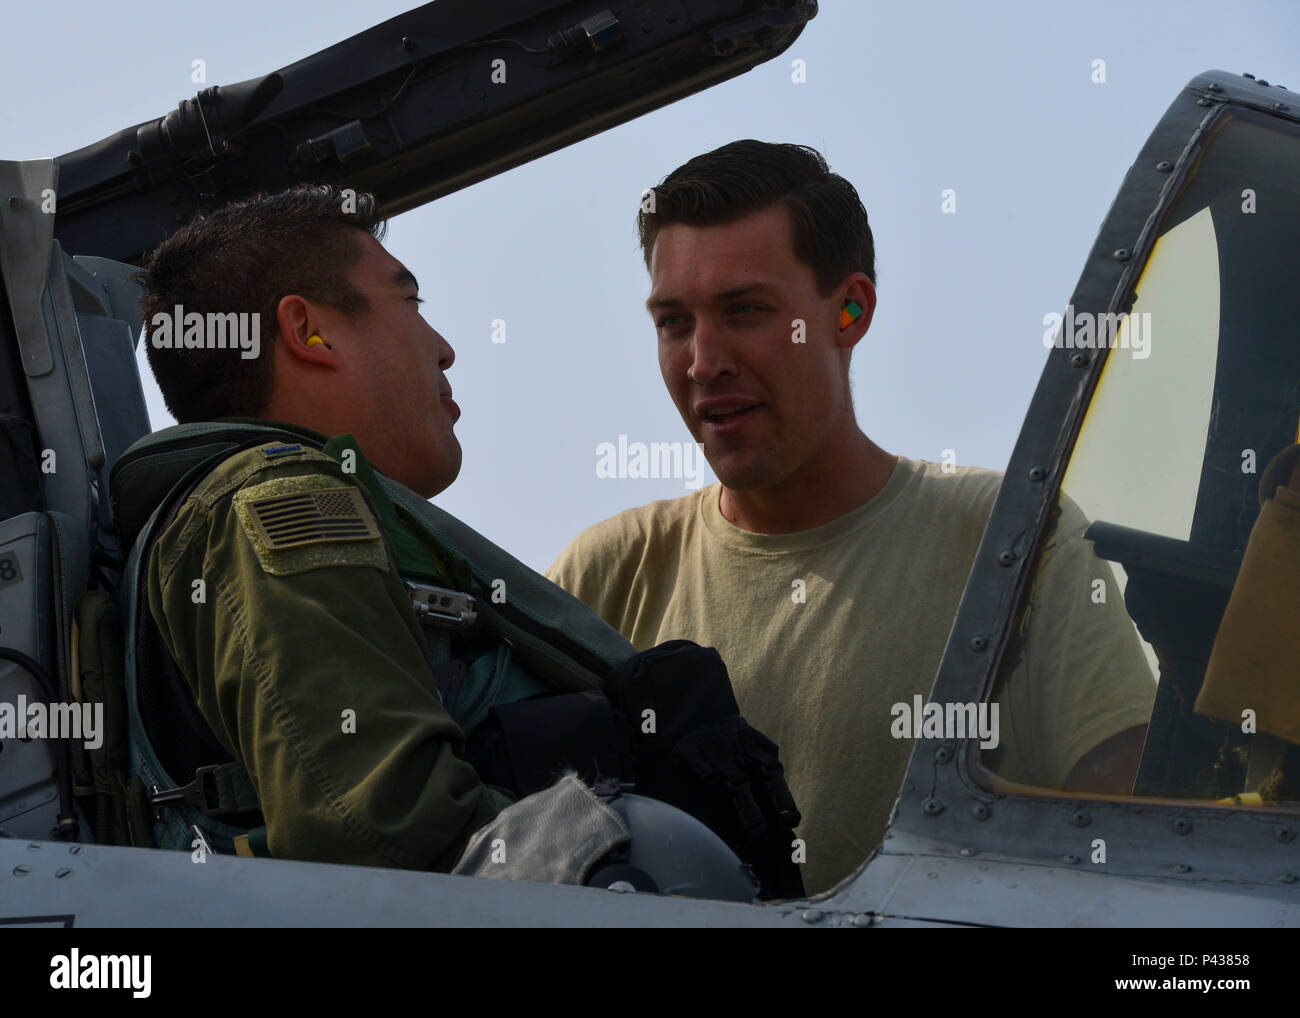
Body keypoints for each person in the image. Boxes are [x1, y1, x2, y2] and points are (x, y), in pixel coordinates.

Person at [130, 183, 800, 890]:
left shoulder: (260, 514)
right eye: (410, 304)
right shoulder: (288, 506)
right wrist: (625, 848)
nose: (443, 349)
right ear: (309, 333)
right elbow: (384, 835)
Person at [546, 140, 1154, 895]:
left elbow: (1132, 858)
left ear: (851, 309)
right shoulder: (602, 575)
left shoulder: (1012, 538)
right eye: (674, 322)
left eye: (745, 311)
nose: (704, 361)